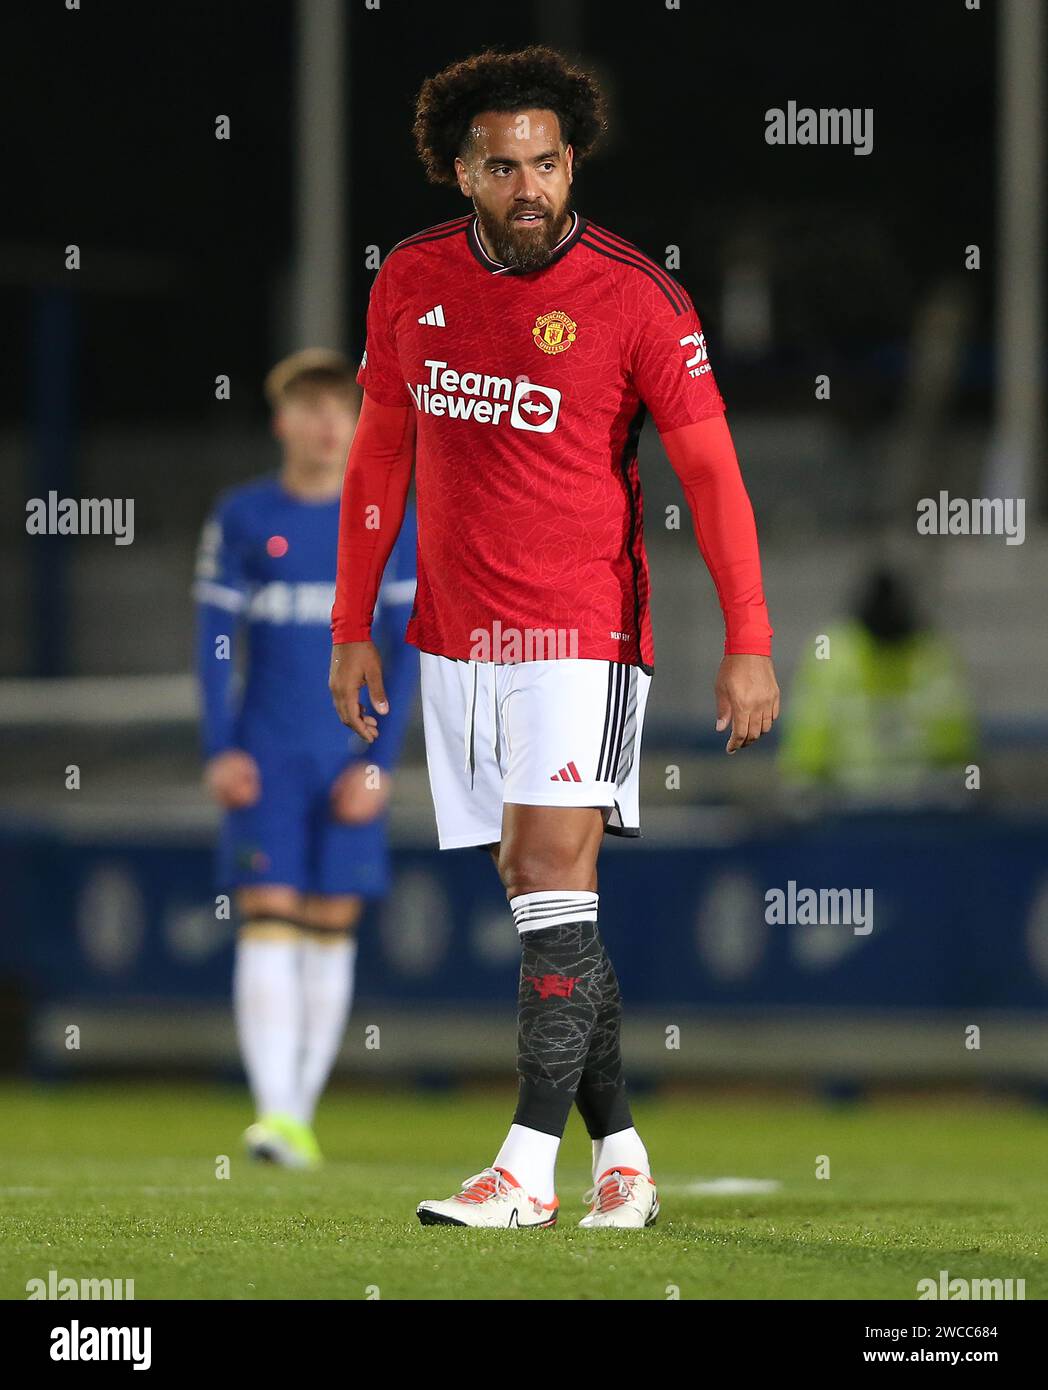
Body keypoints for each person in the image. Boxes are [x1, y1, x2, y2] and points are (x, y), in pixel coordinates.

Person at [329, 47, 779, 1227]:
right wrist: (353, 624)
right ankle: (621, 1155)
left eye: (546, 162)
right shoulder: (410, 282)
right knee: (545, 902)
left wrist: (750, 637)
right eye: (502, 168)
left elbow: (713, 476)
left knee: (550, 884)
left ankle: (524, 1170)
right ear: (460, 174)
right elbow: (378, 456)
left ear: (572, 159)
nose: (528, 186)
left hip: (582, 631)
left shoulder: (637, 295)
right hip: (454, 640)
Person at [195, 349, 418, 1168]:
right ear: (282, 420)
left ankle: (297, 1115)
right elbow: (216, 641)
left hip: (347, 755)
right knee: (266, 917)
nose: (328, 423)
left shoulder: (389, 516)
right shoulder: (244, 516)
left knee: (330, 926)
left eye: (341, 407)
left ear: (359, 420)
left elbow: (407, 647)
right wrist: (220, 747)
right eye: (309, 407)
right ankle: (278, 1116)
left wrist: (380, 762)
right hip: (267, 753)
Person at [779, 566, 977, 798]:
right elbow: (807, 745)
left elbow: (956, 747)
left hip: (922, 812)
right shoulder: (833, 655)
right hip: (845, 812)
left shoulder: (932, 656)